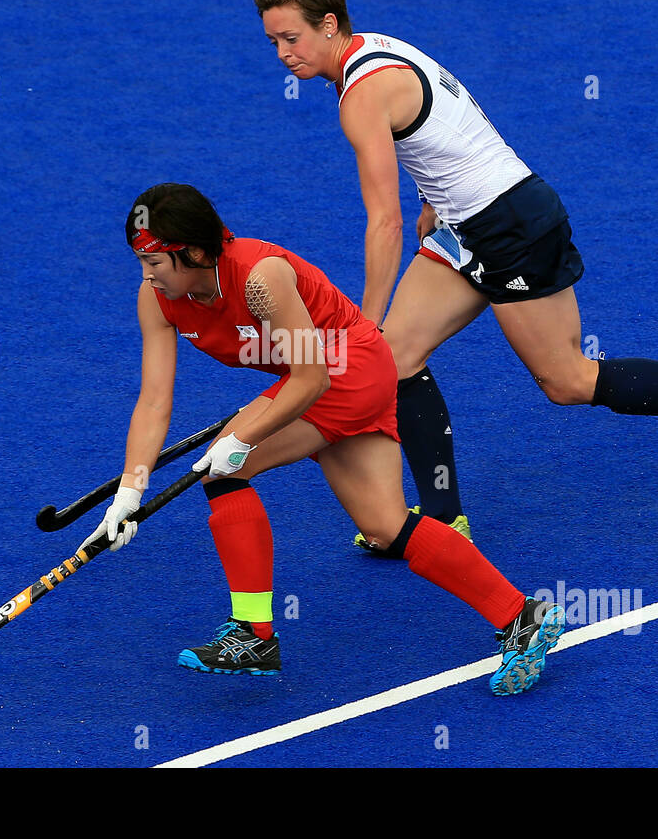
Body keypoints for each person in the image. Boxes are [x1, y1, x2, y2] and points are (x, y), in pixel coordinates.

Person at [254, 0, 658, 550]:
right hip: (469, 225)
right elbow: (446, 127)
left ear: (329, 25)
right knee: (397, 357)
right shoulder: (374, 51)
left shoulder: (360, 94)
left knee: (566, 380)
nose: (284, 54)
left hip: (515, 227)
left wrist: (361, 323)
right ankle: (443, 518)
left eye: (292, 38)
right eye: (274, 43)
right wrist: (435, 199)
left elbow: (382, 223)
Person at [79, 182, 566, 695]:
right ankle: (522, 615)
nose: (146, 274)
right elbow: (154, 401)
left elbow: (311, 378)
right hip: (322, 377)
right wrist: (130, 490)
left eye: (154, 261)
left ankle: (253, 634)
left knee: (226, 468)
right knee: (384, 527)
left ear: (195, 252)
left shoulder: (259, 280)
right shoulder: (157, 299)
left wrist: (241, 441)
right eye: (140, 261)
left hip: (345, 370)